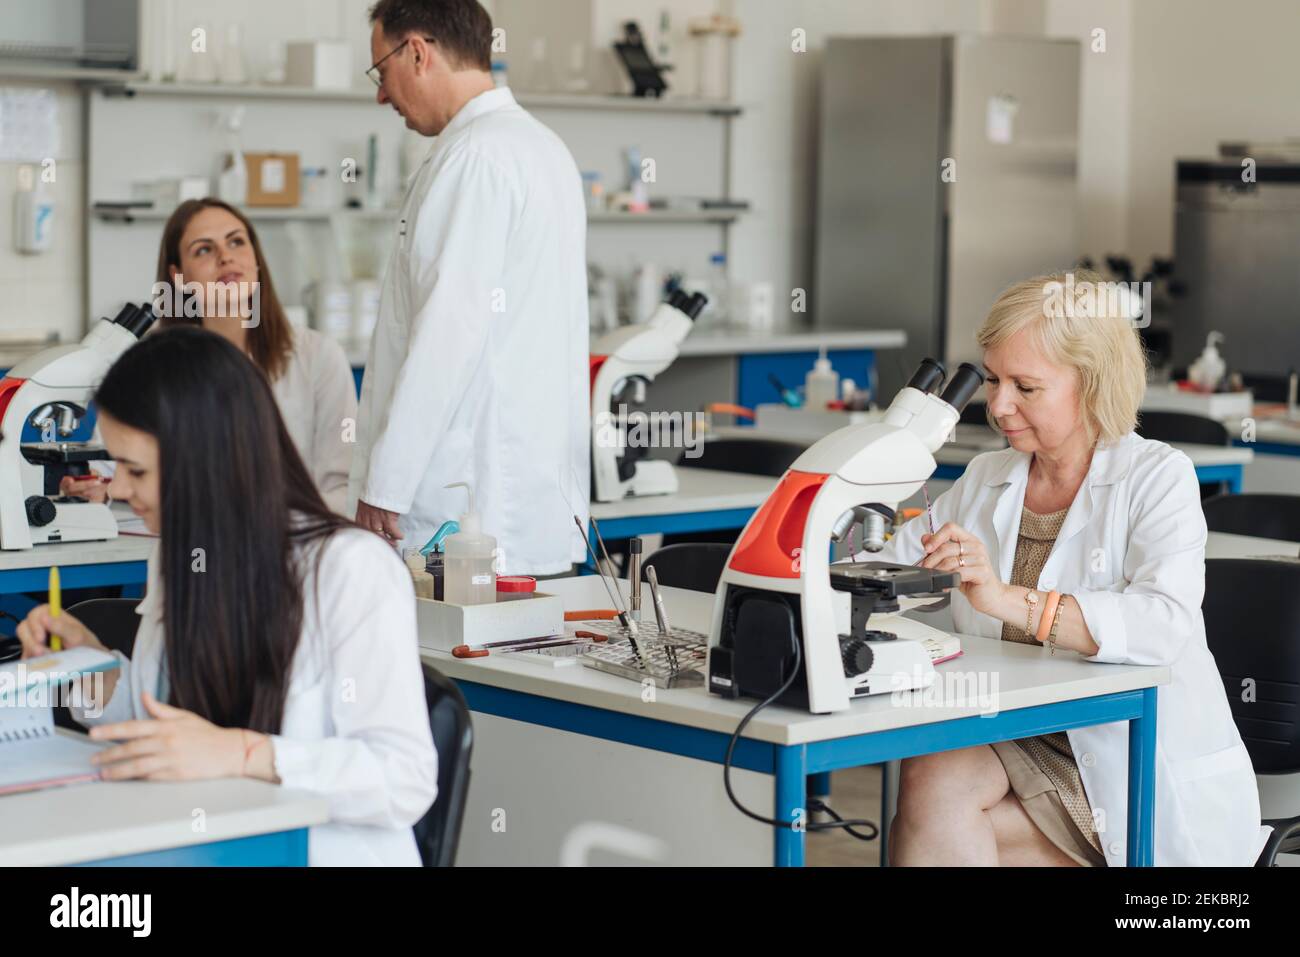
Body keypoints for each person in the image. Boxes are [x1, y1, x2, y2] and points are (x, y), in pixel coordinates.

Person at [880, 271, 1265, 867]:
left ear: (1091, 385)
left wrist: (1006, 599)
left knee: (937, 825)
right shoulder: (988, 477)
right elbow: (882, 574)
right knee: (933, 770)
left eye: (1025, 387)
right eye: (994, 381)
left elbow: (1161, 625)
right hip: (1018, 735)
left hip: (1124, 763)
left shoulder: (1158, 478)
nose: (999, 405)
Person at [19, 327, 436, 867]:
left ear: (207, 457)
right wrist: (83, 669)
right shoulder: (183, 556)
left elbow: (404, 778)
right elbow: (167, 724)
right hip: (203, 845)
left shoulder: (350, 569)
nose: (118, 489)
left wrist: (244, 752)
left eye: (135, 469)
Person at [351, 0, 590, 573]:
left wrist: (386, 485)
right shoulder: (539, 145)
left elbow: (445, 334)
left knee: (454, 662)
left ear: (417, 52)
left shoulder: (475, 158)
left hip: (474, 513)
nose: (382, 95)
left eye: (382, 72)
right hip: (526, 509)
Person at [61, 199, 358, 514]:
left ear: (256, 259)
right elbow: (109, 464)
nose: (225, 256)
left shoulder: (318, 357)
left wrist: (266, 519)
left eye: (236, 242)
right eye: (204, 249)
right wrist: (96, 487)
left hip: (291, 550)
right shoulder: (151, 365)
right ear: (179, 276)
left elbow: (343, 489)